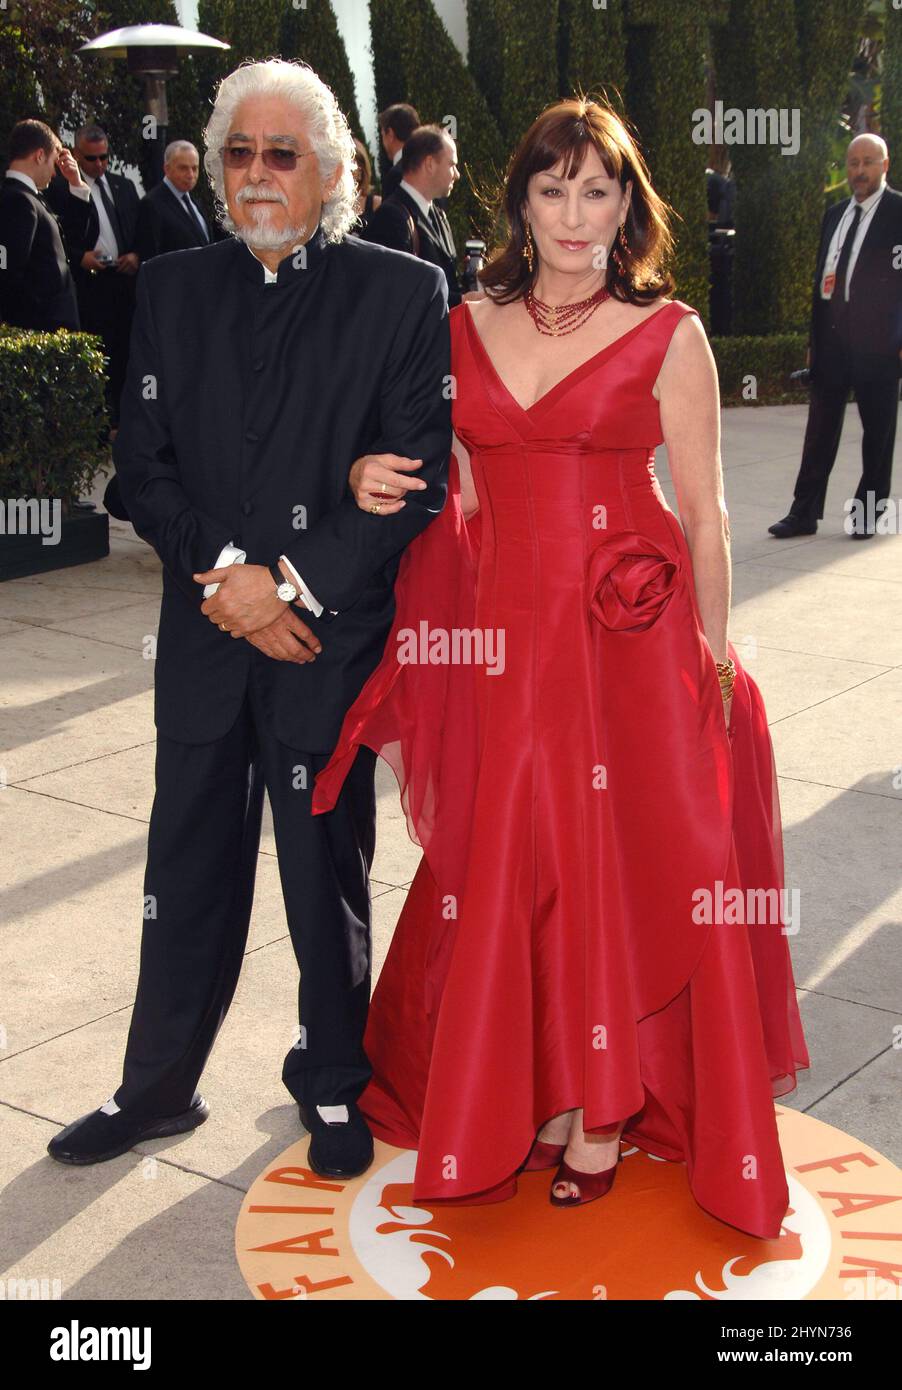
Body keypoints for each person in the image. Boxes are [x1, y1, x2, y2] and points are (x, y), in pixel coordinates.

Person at [312, 98, 810, 1239]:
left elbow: (704, 512)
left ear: (628, 204)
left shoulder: (668, 331)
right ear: (519, 203)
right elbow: (460, 495)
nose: (574, 215)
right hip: (503, 644)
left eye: (598, 190)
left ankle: (599, 1113)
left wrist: (713, 663)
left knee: (605, 868)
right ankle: (526, 1088)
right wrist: (372, 488)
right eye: (552, 189)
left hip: (626, 645)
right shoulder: (460, 320)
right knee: (511, 860)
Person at [45, 59, 451, 1177]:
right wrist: (231, 575)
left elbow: (420, 481)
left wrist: (289, 583)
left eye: (283, 153)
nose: (258, 173)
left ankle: (330, 1082)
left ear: (330, 170)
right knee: (183, 869)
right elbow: (143, 466)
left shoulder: (401, 294)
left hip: (326, 641)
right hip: (205, 636)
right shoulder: (171, 290)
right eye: (238, 152)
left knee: (323, 872)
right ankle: (155, 1090)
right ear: (215, 167)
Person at [770, 133, 902, 540]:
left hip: (881, 344)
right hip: (832, 341)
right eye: (853, 163)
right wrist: (815, 340)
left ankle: (867, 515)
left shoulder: (899, 211)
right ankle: (803, 511)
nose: (859, 171)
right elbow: (821, 284)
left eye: (867, 162)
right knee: (819, 430)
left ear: (885, 165)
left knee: (878, 433)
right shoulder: (835, 214)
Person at [45, 124, 142, 434]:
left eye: (104, 158)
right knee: (99, 356)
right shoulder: (58, 189)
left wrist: (136, 255)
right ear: (76, 154)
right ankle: (100, 425)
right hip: (88, 287)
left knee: (129, 352)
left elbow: (140, 229)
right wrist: (80, 257)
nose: (99, 165)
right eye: (91, 159)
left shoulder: (123, 186)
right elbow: (57, 240)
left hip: (124, 282)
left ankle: (128, 421)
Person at [0, 120, 93, 332]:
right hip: (41, 329)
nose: (55, 172)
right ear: (40, 156)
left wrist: (77, 185)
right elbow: (8, 271)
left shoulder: (32, 198)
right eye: (54, 161)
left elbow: (67, 243)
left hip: (51, 329)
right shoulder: (18, 200)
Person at [363, 124, 463, 307]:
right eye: (452, 165)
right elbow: (400, 294)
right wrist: (463, 300)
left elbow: (448, 281)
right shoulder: (391, 219)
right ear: (430, 164)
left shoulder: (438, 214)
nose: (457, 174)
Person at [134, 140, 226, 260]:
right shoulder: (152, 204)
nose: (190, 175)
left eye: (194, 168)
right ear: (167, 169)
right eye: (183, 168)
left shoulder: (194, 202)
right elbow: (150, 257)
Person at [378, 102, 420, 199]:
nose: (383, 141)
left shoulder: (395, 175)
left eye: (383, 135)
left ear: (390, 134)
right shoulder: (429, 166)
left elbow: (389, 213)